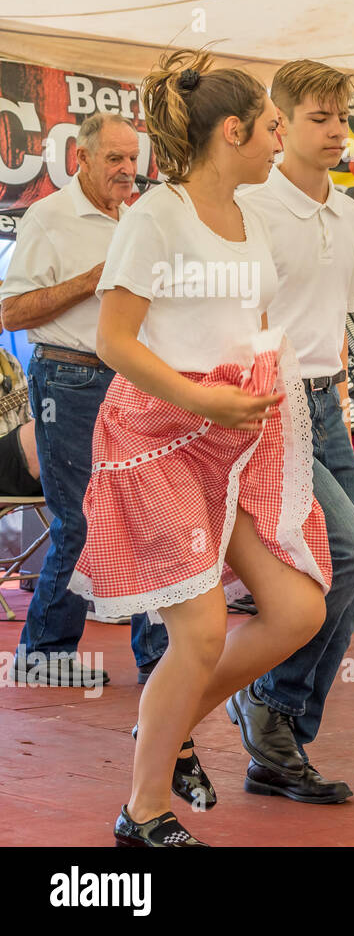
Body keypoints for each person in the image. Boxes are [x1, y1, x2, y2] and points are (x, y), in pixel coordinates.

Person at [72, 48, 332, 847]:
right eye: (273, 129)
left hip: (227, 441)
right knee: (202, 631)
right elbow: (113, 339)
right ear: (233, 131)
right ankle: (143, 811)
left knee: (297, 609)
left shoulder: (250, 218)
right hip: (155, 438)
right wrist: (202, 396)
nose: (279, 142)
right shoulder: (157, 216)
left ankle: (175, 719)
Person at [225, 59, 354, 805]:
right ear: (279, 125)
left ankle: (277, 740)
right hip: (269, 402)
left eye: (342, 119)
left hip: (324, 404)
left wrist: (339, 401)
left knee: (346, 561)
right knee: (348, 554)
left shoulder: (347, 212)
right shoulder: (251, 204)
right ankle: (268, 703)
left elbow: (336, 320)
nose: (335, 133)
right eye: (319, 119)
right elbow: (238, 319)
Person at [0, 112, 169, 687]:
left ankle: (159, 662)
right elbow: (12, 312)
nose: (127, 170)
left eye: (133, 159)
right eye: (115, 159)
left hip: (135, 378)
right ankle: (42, 654)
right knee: (81, 521)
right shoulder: (48, 217)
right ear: (83, 160)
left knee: (148, 518)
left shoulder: (144, 217)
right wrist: (94, 278)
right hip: (69, 380)